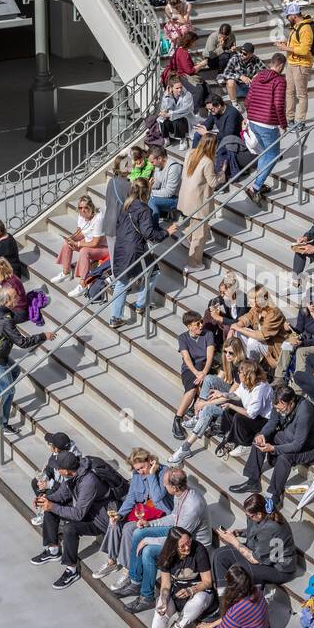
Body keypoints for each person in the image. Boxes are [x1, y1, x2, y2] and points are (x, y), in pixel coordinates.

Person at [111, 467, 211, 605]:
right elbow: (174, 517)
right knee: (139, 532)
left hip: (191, 545)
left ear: (175, 487)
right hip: (178, 531)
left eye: (165, 484)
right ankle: (135, 582)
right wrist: (150, 524)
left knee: (148, 551)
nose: (163, 485)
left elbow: (180, 540)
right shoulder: (180, 494)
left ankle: (147, 596)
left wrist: (149, 540)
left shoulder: (193, 506)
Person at [30, 452, 127, 589]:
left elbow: (78, 515)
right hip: (87, 509)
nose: (56, 470)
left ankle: (72, 570)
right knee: (50, 510)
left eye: (58, 468)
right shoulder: (75, 473)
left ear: (66, 470)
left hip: (101, 519)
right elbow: (64, 493)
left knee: (71, 528)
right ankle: (53, 549)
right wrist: (46, 499)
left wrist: (52, 506)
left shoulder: (88, 482)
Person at [230, 385, 314, 501]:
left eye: (281, 409)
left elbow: (297, 445)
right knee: (260, 440)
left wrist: (274, 449)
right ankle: (253, 481)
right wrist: (262, 434)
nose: (278, 411)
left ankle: (274, 494)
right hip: (290, 436)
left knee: (285, 457)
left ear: (291, 402)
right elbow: (273, 421)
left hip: (312, 447)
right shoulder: (278, 402)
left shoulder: (305, 411)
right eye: (276, 409)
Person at [0, 286, 57, 433]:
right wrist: (43, 336)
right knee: (8, 391)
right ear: (7, 301)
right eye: (15, 297)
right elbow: (22, 343)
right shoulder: (5, 321)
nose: (18, 299)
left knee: (15, 370)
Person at [142, 526, 215, 628]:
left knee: (199, 600)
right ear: (174, 545)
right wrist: (163, 600)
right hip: (176, 591)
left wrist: (191, 590)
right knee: (159, 612)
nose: (187, 546)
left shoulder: (199, 550)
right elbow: (166, 584)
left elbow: (208, 581)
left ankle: (177, 627)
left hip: (199, 590)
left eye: (189, 542)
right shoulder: (166, 555)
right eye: (183, 545)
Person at [93, 447, 172, 583]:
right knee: (115, 522)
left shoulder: (164, 473)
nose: (140, 472)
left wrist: (151, 474)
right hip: (143, 513)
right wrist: (120, 515)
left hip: (160, 517)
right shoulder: (137, 475)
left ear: (151, 461)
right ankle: (112, 561)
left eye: (142, 468)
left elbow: (157, 497)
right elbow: (131, 498)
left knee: (129, 528)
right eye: (137, 469)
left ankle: (128, 569)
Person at [170, 359, 273, 462]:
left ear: (247, 375)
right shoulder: (246, 382)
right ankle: (186, 446)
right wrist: (223, 394)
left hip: (262, 421)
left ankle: (245, 444)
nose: (238, 374)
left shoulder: (260, 389)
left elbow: (251, 414)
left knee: (236, 415)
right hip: (250, 413)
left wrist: (231, 406)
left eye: (240, 372)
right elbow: (236, 395)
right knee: (211, 409)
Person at [109, 177, 178, 327]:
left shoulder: (125, 204)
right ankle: (141, 304)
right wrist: (167, 232)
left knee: (122, 281)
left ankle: (115, 317)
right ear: (146, 192)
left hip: (121, 247)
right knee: (153, 272)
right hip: (136, 250)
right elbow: (149, 234)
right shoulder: (144, 209)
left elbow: (119, 225)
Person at [212, 493, 297, 588]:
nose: (248, 517)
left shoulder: (271, 528)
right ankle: (222, 595)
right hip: (259, 552)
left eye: (250, 516)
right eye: (247, 515)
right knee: (219, 555)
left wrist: (233, 541)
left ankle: (236, 600)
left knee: (238, 571)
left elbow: (255, 559)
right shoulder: (260, 515)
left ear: (259, 514)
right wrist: (240, 533)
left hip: (278, 567)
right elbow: (256, 531)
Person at [243, 53, 288, 202]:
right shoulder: (280, 81)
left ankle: (258, 183)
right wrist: (283, 124)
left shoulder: (258, 77)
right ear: (281, 66)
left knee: (265, 154)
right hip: (267, 125)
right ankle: (255, 188)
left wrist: (250, 115)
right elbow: (279, 104)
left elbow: (247, 100)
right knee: (273, 155)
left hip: (254, 121)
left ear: (271, 63)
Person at [177, 135, 219, 273]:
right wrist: (222, 174)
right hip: (199, 202)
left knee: (194, 225)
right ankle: (193, 263)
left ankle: (185, 237)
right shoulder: (208, 162)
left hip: (186, 197)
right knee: (200, 234)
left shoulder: (190, 153)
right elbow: (213, 183)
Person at [173, 309, 217, 439]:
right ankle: (177, 419)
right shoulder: (183, 338)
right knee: (192, 389)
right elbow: (186, 358)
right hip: (189, 369)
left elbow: (209, 357)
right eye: (197, 324)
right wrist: (197, 373)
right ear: (189, 326)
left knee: (202, 384)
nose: (201, 325)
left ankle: (195, 410)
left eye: (201, 322)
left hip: (205, 368)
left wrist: (203, 373)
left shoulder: (208, 334)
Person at [275, 293, 314, 379]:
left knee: (301, 351)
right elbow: (299, 329)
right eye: (308, 302)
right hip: (307, 338)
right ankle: (279, 375)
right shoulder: (304, 310)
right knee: (287, 343)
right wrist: (290, 328)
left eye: (313, 302)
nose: (311, 305)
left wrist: (302, 342)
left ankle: (299, 381)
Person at [275, 5, 314, 131]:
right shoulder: (295, 27)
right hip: (292, 63)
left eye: (288, 16)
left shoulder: (306, 28)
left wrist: (285, 48)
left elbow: (304, 50)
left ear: (294, 16)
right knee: (289, 92)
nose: (287, 18)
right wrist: (284, 44)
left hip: (301, 65)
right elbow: (294, 43)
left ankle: (300, 121)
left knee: (301, 94)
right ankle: (290, 118)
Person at [53, 194, 106, 291]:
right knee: (67, 244)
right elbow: (80, 232)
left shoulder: (98, 218)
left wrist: (78, 244)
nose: (83, 210)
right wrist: (72, 238)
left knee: (84, 251)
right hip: (89, 242)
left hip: (104, 247)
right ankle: (66, 273)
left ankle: (83, 283)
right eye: (80, 208)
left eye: (86, 207)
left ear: (91, 207)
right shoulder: (81, 215)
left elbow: (96, 243)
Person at [231, 285, 287, 369]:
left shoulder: (274, 313)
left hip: (275, 349)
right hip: (264, 345)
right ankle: (246, 361)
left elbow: (261, 336)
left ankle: (252, 368)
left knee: (253, 340)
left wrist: (237, 328)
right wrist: (233, 328)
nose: (248, 302)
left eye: (251, 299)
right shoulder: (256, 310)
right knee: (239, 332)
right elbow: (246, 318)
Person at [157, 76, 195, 149]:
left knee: (178, 120)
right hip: (172, 121)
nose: (180, 90)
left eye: (180, 87)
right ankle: (166, 139)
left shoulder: (187, 95)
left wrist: (169, 114)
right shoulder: (167, 95)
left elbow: (186, 110)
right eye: (177, 88)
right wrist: (166, 97)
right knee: (162, 119)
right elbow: (164, 108)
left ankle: (183, 139)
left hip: (185, 120)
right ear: (171, 88)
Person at [221, 41, 263, 106]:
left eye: (244, 54)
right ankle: (235, 104)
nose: (241, 54)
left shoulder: (255, 59)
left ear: (251, 54)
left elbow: (266, 71)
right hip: (236, 87)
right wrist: (240, 76)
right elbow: (225, 73)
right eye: (241, 52)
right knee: (230, 81)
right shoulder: (235, 58)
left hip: (249, 87)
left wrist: (257, 76)